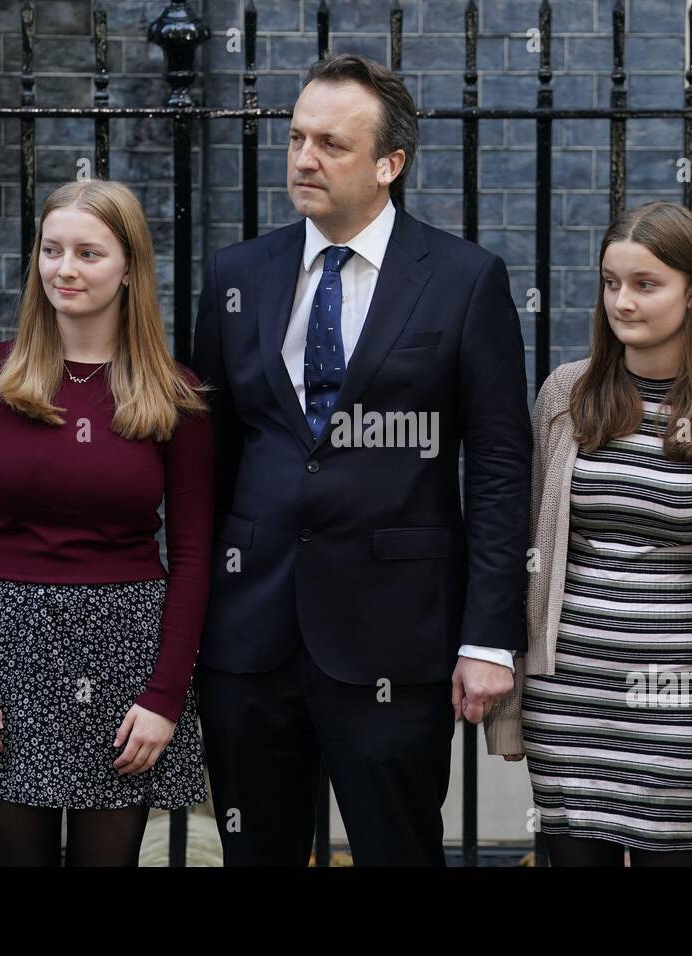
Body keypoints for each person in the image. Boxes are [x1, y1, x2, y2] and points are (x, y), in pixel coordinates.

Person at [190, 54, 532, 866]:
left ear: (390, 164)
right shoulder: (238, 275)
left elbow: (496, 464)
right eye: (297, 137)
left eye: (332, 144)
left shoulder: (463, 280)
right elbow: (209, 455)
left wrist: (488, 637)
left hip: (395, 633)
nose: (305, 158)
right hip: (252, 634)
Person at [484, 201, 692, 867]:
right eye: (610, 282)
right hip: (570, 707)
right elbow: (528, 561)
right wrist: (511, 705)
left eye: (645, 284)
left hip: (680, 713)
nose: (622, 302)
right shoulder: (566, 399)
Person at [0, 179, 214, 866]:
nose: (65, 268)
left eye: (89, 252)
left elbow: (197, 555)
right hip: (6, 657)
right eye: (52, 250)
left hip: (126, 656)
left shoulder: (176, 393)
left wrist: (166, 695)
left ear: (128, 269)